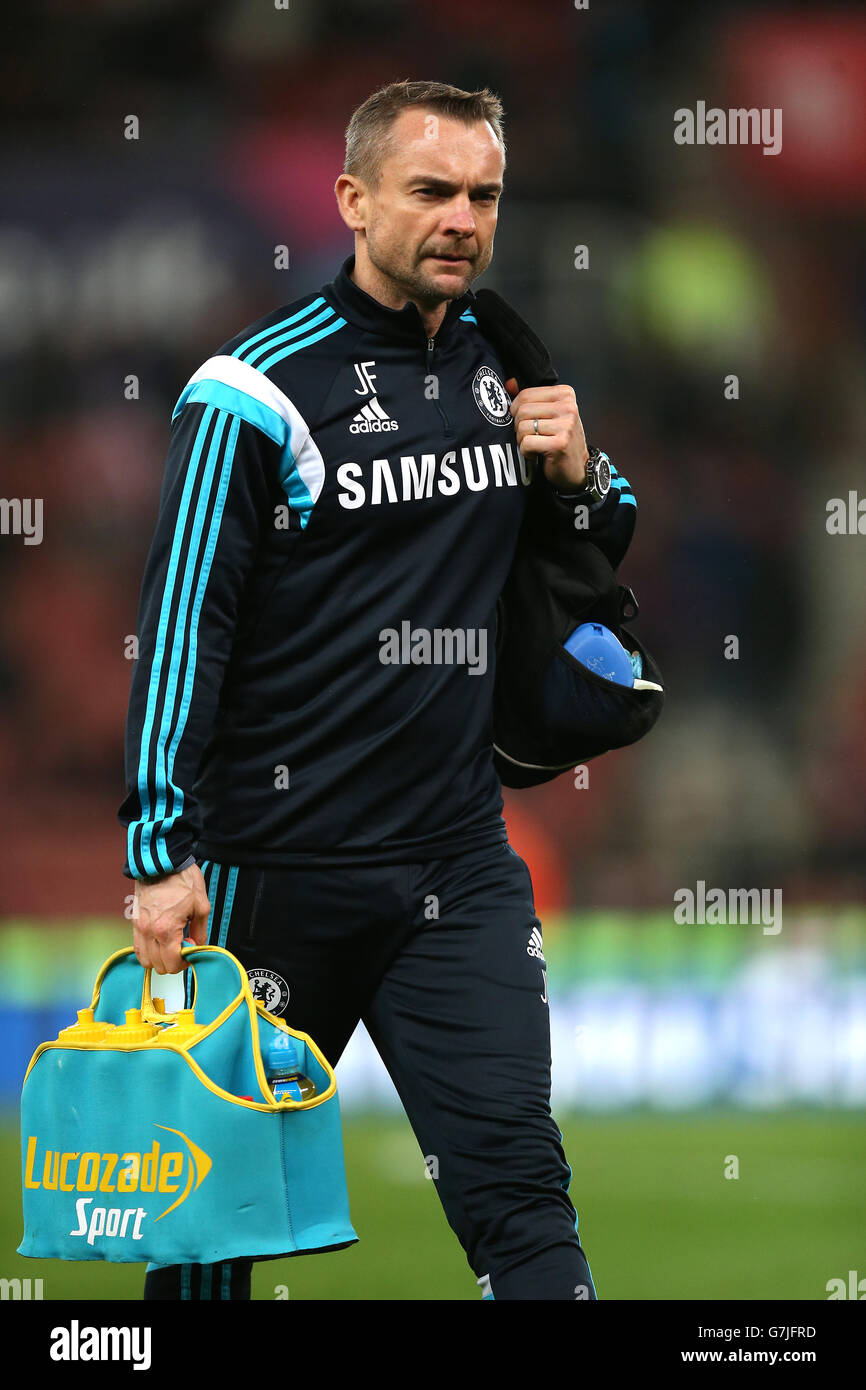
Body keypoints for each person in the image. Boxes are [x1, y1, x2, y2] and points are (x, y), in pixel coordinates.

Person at [119, 79, 631, 1301]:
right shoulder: (249, 392)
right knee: (207, 1237)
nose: (462, 217)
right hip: (269, 872)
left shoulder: (506, 364)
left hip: (455, 865)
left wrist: (578, 470)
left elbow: (597, 539)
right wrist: (157, 852)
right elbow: (182, 626)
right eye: (432, 190)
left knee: (517, 1187)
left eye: (484, 195)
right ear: (353, 201)